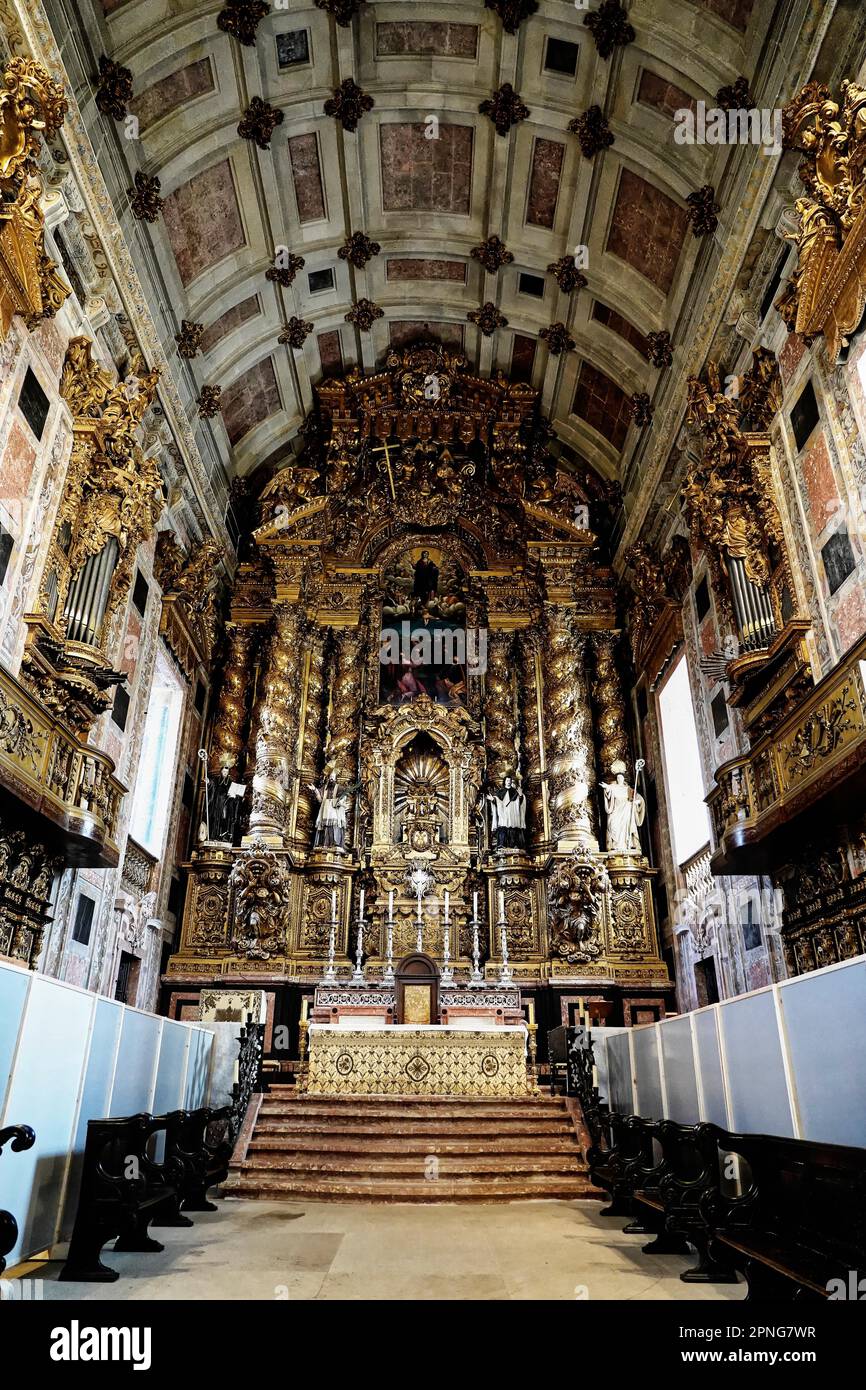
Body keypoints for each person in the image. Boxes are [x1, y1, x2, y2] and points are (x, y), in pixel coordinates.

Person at [600, 760, 645, 852]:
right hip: (616, 811)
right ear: (617, 779)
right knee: (613, 825)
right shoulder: (613, 787)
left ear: (623, 779)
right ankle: (615, 846)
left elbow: (639, 799)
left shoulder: (629, 789)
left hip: (626, 811)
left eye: (621, 778)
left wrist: (635, 802)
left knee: (627, 827)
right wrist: (607, 788)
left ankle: (629, 845)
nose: (620, 779)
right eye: (618, 778)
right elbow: (609, 792)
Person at [486, 776, 527, 850]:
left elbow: (519, 802)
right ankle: (502, 844)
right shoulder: (500, 792)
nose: (508, 781)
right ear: (504, 781)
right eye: (507, 780)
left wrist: (520, 795)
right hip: (503, 813)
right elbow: (497, 801)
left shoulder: (515, 792)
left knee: (513, 829)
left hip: (513, 813)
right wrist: (492, 799)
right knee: (503, 828)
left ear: (511, 782)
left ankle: (514, 844)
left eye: (510, 780)